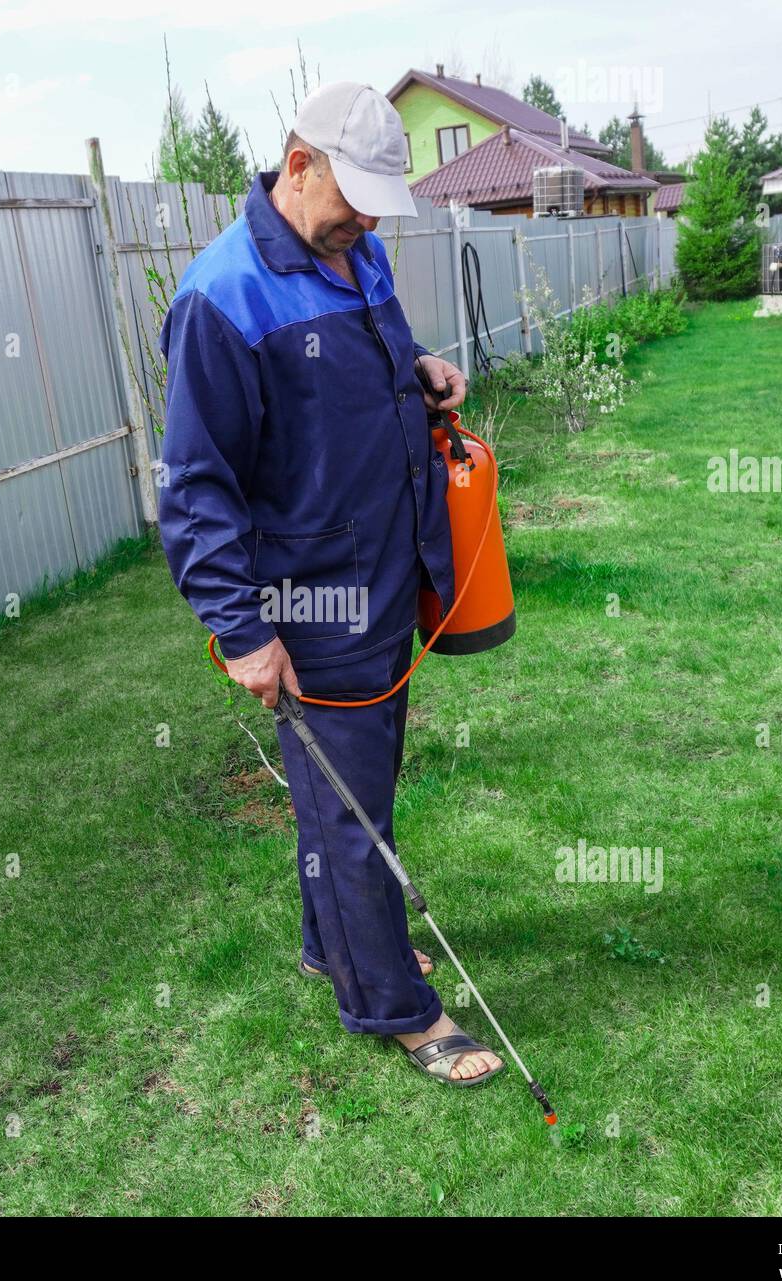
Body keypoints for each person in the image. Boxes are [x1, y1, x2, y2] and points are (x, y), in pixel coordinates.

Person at [157, 82, 503, 1085]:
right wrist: (238, 628)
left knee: (346, 787)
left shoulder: (354, 252)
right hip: (314, 601)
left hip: (388, 575)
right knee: (353, 807)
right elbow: (194, 486)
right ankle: (398, 1006)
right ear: (296, 163)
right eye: (349, 199)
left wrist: (421, 369)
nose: (361, 223)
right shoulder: (221, 297)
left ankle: (335, 944)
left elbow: (356, 372)